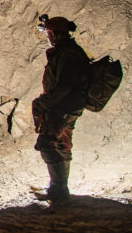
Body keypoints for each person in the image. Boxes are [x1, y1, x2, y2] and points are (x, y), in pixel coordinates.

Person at [31, 14, 90, 203]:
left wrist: (43, 103)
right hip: (68, 106)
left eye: (49, 33)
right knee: (62, 144)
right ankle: (59, 189)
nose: (48, 37)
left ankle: (58, 191)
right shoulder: (66, 51)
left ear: (56, 33)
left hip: (63, 107)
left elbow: (64, 86)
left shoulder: (69, 54)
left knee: (46, 144)